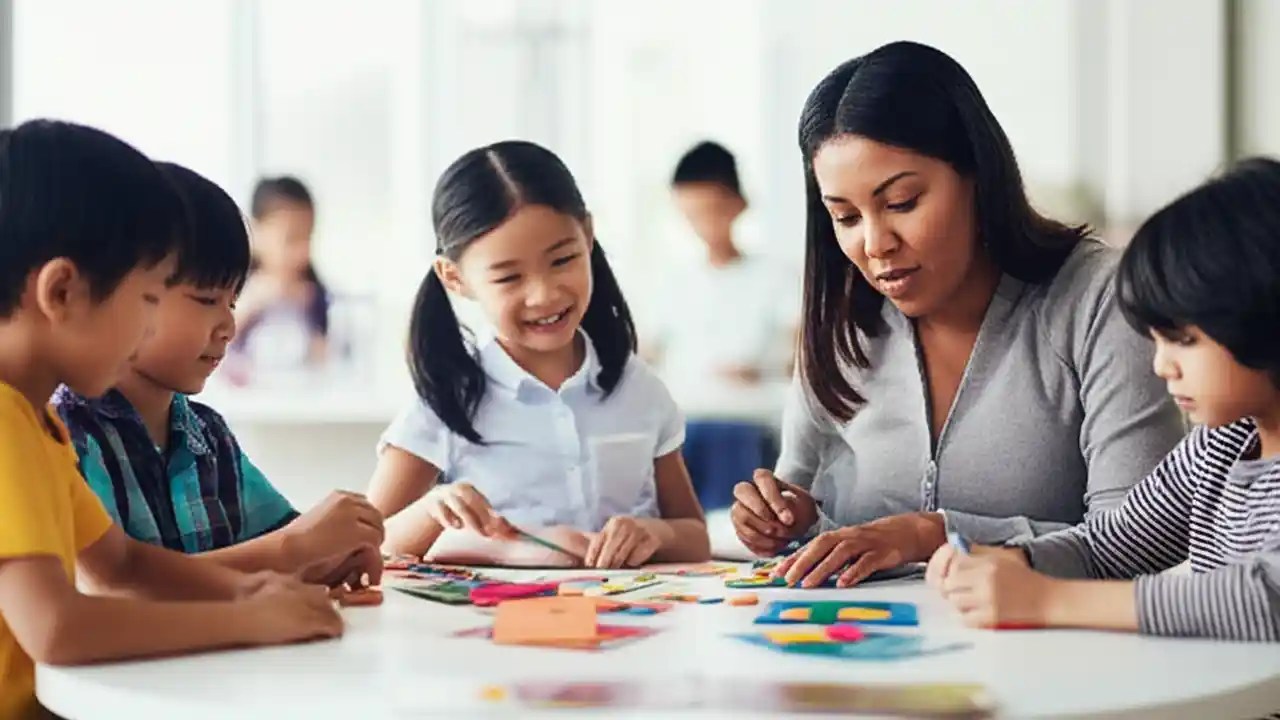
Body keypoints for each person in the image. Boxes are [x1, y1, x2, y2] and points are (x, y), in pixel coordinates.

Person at [730, 41, 1185, 587]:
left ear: (977, 175)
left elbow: (1138, 544)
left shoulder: (1099, 299)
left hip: (1052, 658)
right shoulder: (841, 316)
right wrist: (783, 522)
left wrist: (936, 534)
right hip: (864, 651)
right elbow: (800, 518)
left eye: (901, 203)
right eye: (846, 216)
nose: (876, 244)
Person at [0, 120, 340, 720]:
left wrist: (248, 588)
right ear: (62, 292)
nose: (145, 329)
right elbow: (56, 627)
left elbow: (124, 562)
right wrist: (243, 621)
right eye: (148, 300)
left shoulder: (34, 425)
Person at [927, 157, 1280, 641]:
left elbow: (1267, 598)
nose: (1161, 365)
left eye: (1183, 339)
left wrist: (1045, 599)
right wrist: (1016, 562)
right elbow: (1110, 547)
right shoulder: (1219, 445)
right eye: (1155, 340)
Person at [367, 140, 710, 569]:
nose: (544, 295)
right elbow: (363, 545)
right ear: (455, 278)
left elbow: (695, 538)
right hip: (497, 631)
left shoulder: (638, 388)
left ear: (587, 235)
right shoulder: (448, 401)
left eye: (563, 259)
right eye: (509, 278)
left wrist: (654, 534)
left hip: (631, 626)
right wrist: (433, 511)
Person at [55, 162, 384, 585]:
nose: (228, 327)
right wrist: (296, 548)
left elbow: (281, 547)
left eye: (232, 302)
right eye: (207, 298)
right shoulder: (66, 433)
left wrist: (335, 553)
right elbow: (112, 592)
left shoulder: (207, 435)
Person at [654, 141, 798, 387]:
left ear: (740, 204)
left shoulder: (778, 278)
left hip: (752, 416)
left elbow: (802, 359)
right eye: (692, 216)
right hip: (686, 413)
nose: (703, 226)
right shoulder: (672, 282)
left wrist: (762, 370)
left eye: (712, 211)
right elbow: (649, 355)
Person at [232, 176, 330, 372]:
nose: (301, 251)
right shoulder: (235, 286)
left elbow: (326, 354)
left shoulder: (314, 292)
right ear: (256, 231)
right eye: (291, 239)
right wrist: (251, 305)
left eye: (308, 238)